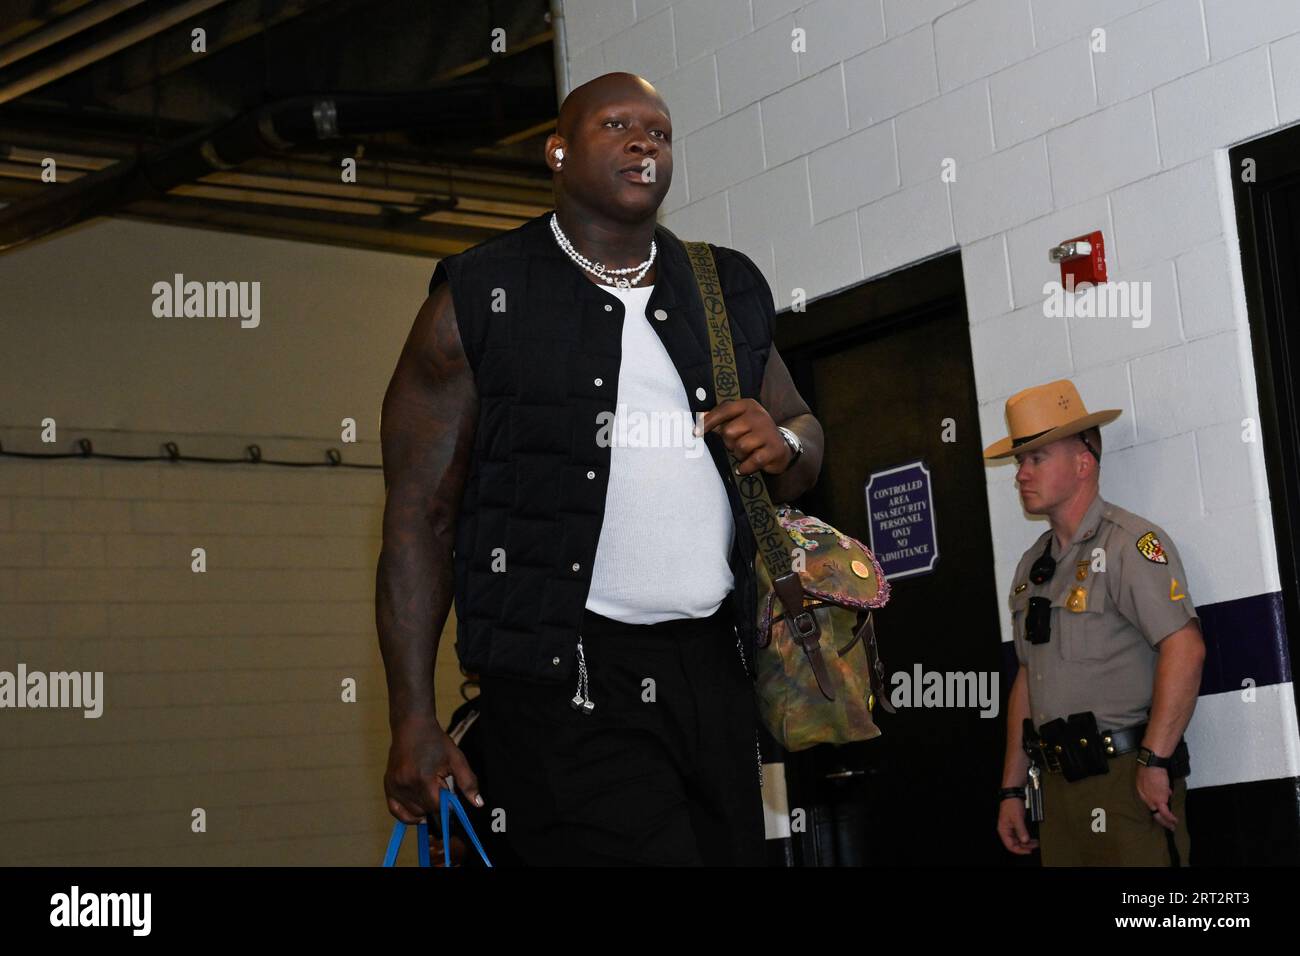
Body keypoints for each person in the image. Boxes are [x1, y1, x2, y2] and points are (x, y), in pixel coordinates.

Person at [374, 71, 824, 865]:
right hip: (567, 679)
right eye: (617, 125)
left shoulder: (722, 286)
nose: (644, 140)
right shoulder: (480, 297)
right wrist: (411, 715)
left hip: (716, 670)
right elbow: (419, 517)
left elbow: (801, 435)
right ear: (557, 151)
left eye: (660, 130)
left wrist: (782, 445)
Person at [985, 379, 1205, 866]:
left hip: (1127, 778)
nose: (1021, 473)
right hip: (1059, 791)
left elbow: (1185, 650)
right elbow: (1028, 678)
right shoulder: (1031, 567)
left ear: (1083, 462)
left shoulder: (1131, 544)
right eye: (1020, 461)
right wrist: (1010, 789)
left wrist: (1154, 760)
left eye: (1036, 458)